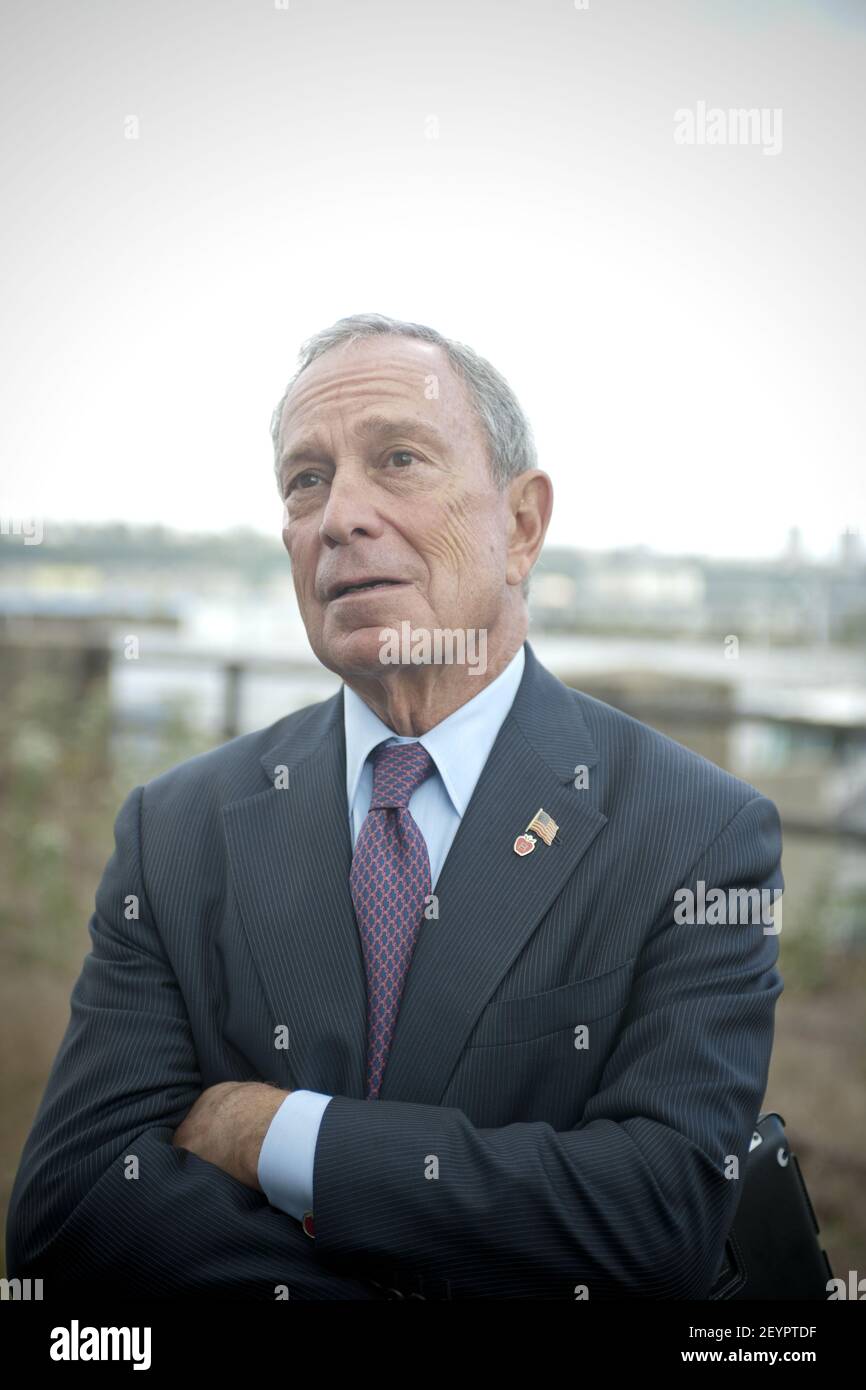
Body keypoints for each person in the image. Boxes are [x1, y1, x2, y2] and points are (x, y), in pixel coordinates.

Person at [6, 312, 784, 1300]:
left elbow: (658, 1213)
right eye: (305, 480)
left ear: (522, 524)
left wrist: (278, 1133)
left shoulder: (696, 833)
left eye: (399, 458)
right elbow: (70, 1208)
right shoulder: (177, 830)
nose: (338, 516)